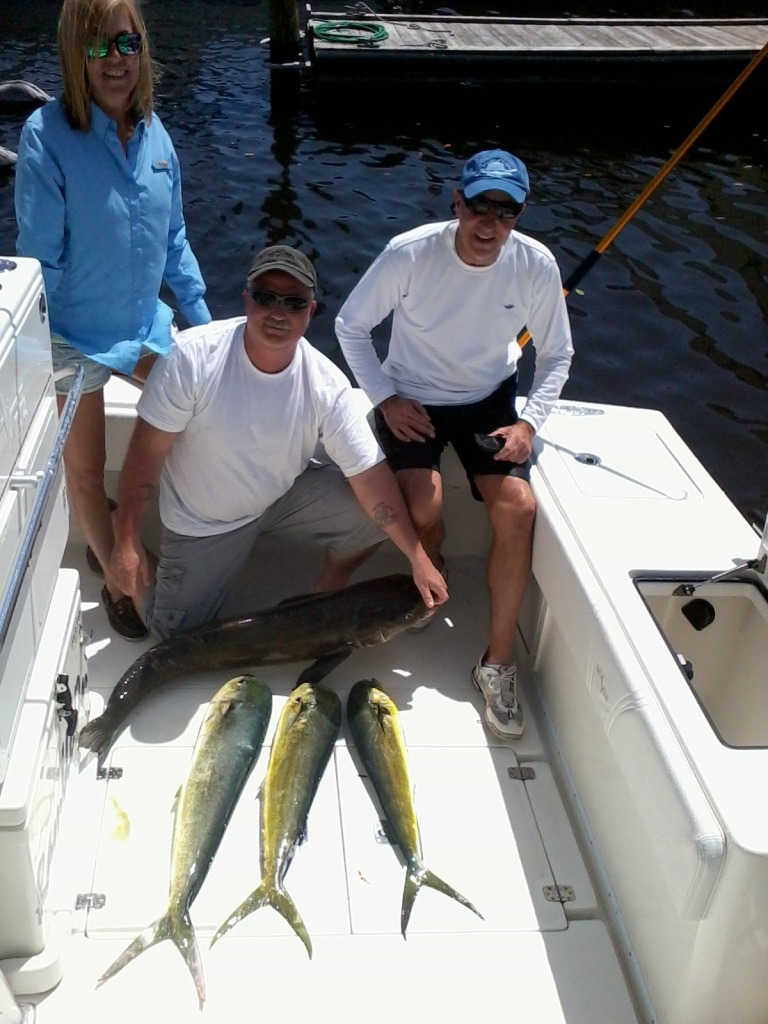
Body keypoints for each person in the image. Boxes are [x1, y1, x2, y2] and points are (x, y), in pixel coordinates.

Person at [335, 149, 574, 740]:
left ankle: (496, 664)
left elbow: (558, 355)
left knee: (517, 511)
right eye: (480, 205)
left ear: (519, 213)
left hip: (491, 401)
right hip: (412, 397)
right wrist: (386, 397)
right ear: (457, 202)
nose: (490, 222)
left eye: (506, 209)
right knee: (423, 504)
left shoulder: (535, 266)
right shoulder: (409, 253)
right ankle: (431, 567)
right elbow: (350, 325)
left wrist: (529, 424)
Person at [108, 244, 448, 638]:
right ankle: (113, 523)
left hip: (281, 497)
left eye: (293, 302)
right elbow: (143, 459)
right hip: (205, 522)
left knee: (375, 516)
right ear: (246, 300)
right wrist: (127, 539)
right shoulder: (191, 358)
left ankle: (326, 593)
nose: (278, 312)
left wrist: (418, 557)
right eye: (265, 297)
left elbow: (372, 479)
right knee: (172, 633)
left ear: (311, 312)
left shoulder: (325, 383)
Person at [14, 0, 211, 641]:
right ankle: (115, 569)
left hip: (147, 329)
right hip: (73, 335)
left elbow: (175, 239)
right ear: (76, 55)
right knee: (82, 466)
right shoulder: (47, 136)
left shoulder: (158, 137)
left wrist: (206, 329)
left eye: (124, 43)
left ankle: (141, 528)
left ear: (141, 47)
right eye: (97, 47)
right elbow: (38, 256)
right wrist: (44, 349)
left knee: (204, 421)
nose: (114, 60)